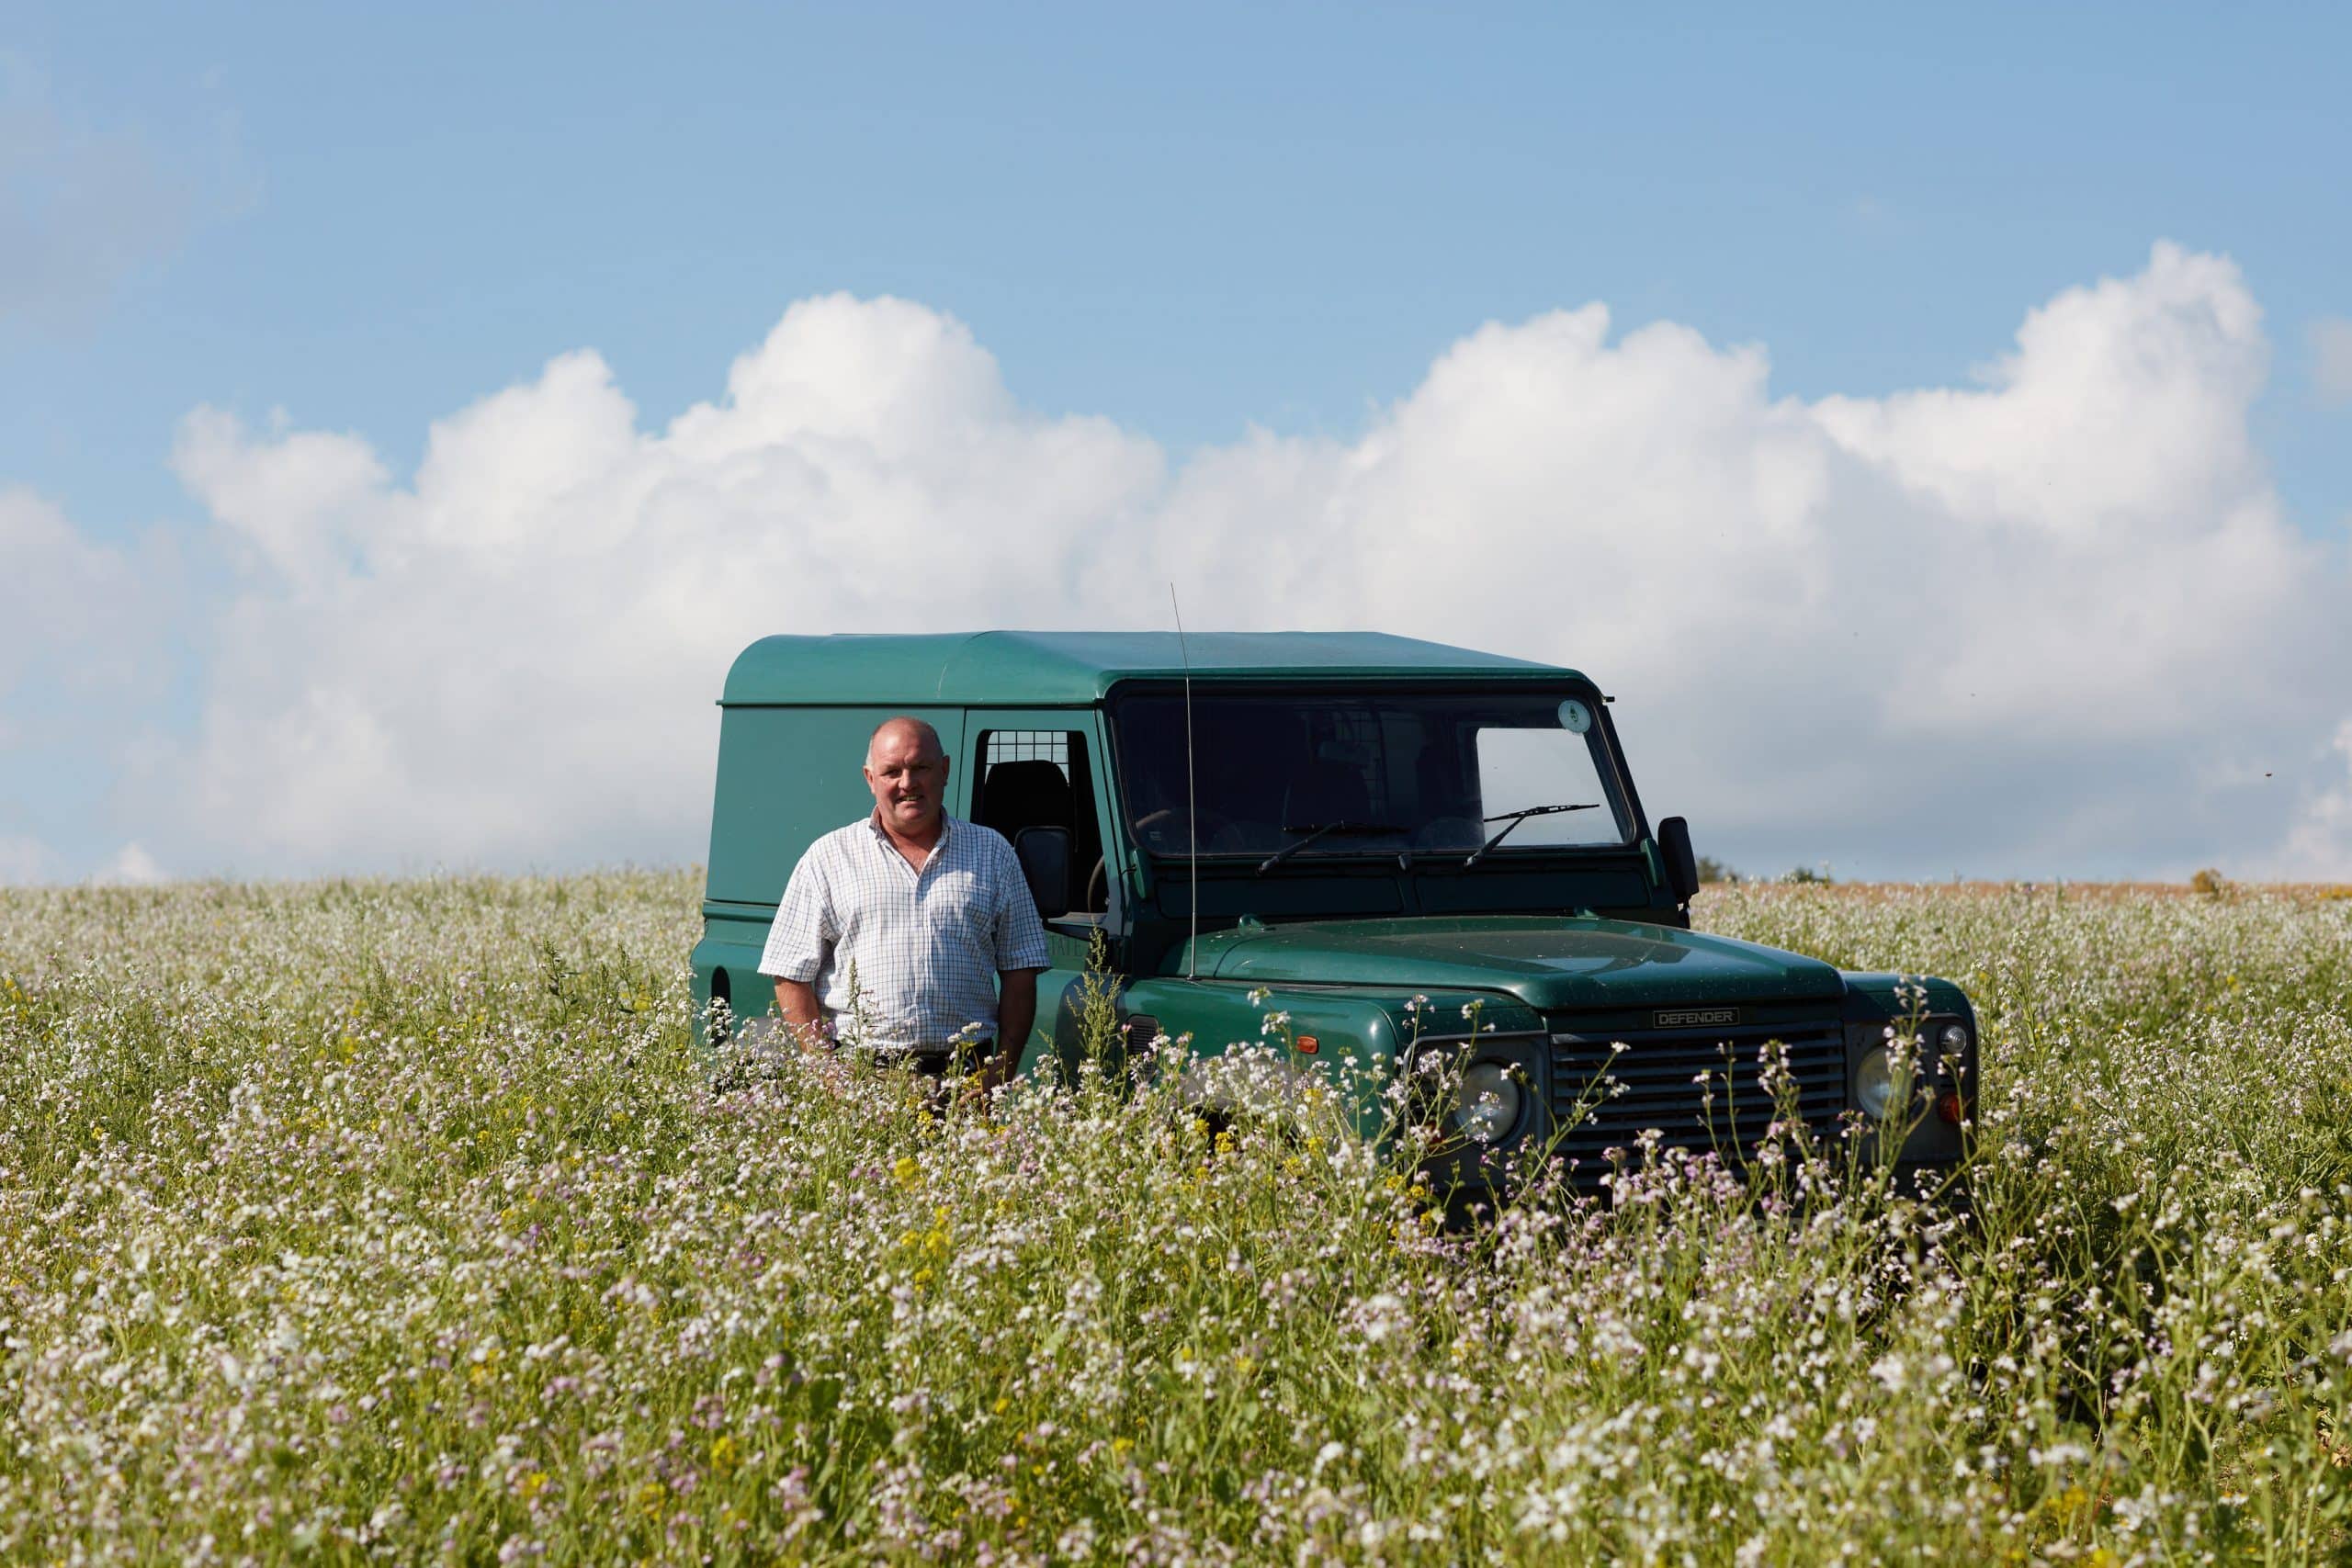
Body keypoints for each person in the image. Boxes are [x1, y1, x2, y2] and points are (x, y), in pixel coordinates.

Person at [757, 716, 1051, 1091]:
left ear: (945, 770)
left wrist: (1001, 1071)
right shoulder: (829, 857)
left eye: (920, 767)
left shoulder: (992, 853)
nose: (907, 783)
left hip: (967, 1080)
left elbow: (1021, 968)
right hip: (863, 1080)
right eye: (892, 771)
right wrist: (827, 1074)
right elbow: (789, 974)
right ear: (870, 778)